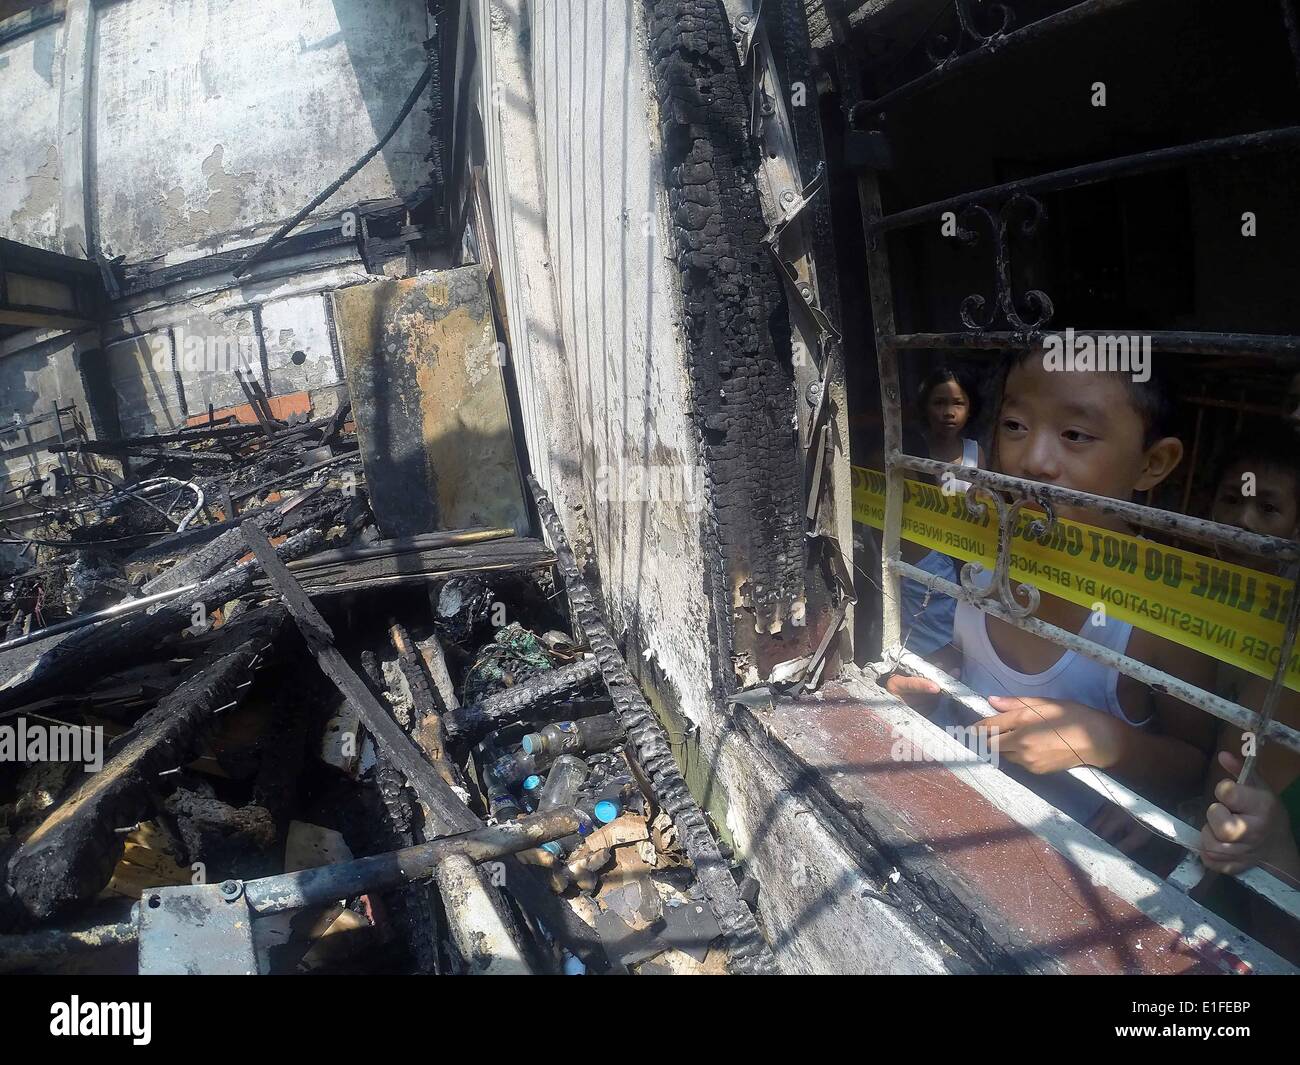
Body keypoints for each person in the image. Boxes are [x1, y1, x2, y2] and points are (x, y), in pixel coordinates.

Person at [886, 351, 1217, 826]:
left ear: (1153, 462)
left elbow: (1198, 773)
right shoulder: (981, 554)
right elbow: (969, 663)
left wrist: (1110, 742)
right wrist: (938, 687)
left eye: (1075, 435)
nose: (1033, 462)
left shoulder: (1162, 613)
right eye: (1015, 426)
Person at [898, 367, 985, 655]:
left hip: (969, 553)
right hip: (928, 554)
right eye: (939, 403)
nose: (949, 412)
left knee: (971, 618)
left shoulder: (975, 451)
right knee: (934, 624)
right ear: (925, 407)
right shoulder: (914, 450)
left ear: (970, 408)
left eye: (958, 403)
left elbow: (985, 503)